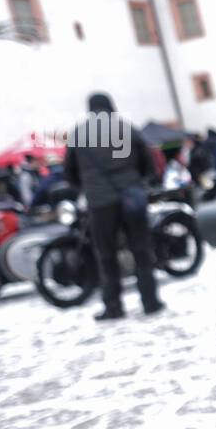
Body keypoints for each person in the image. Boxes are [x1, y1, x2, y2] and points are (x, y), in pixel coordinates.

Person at [62, 91, 164, 321]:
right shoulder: (125, 128)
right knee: (141, 250)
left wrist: (88, 188)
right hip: (131, 197)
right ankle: (150, 301)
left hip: (99, 202)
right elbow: (148, 163)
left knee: (106, 255)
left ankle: (113, 306)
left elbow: (69, 172)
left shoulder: (79, 134)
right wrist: (135, 181)